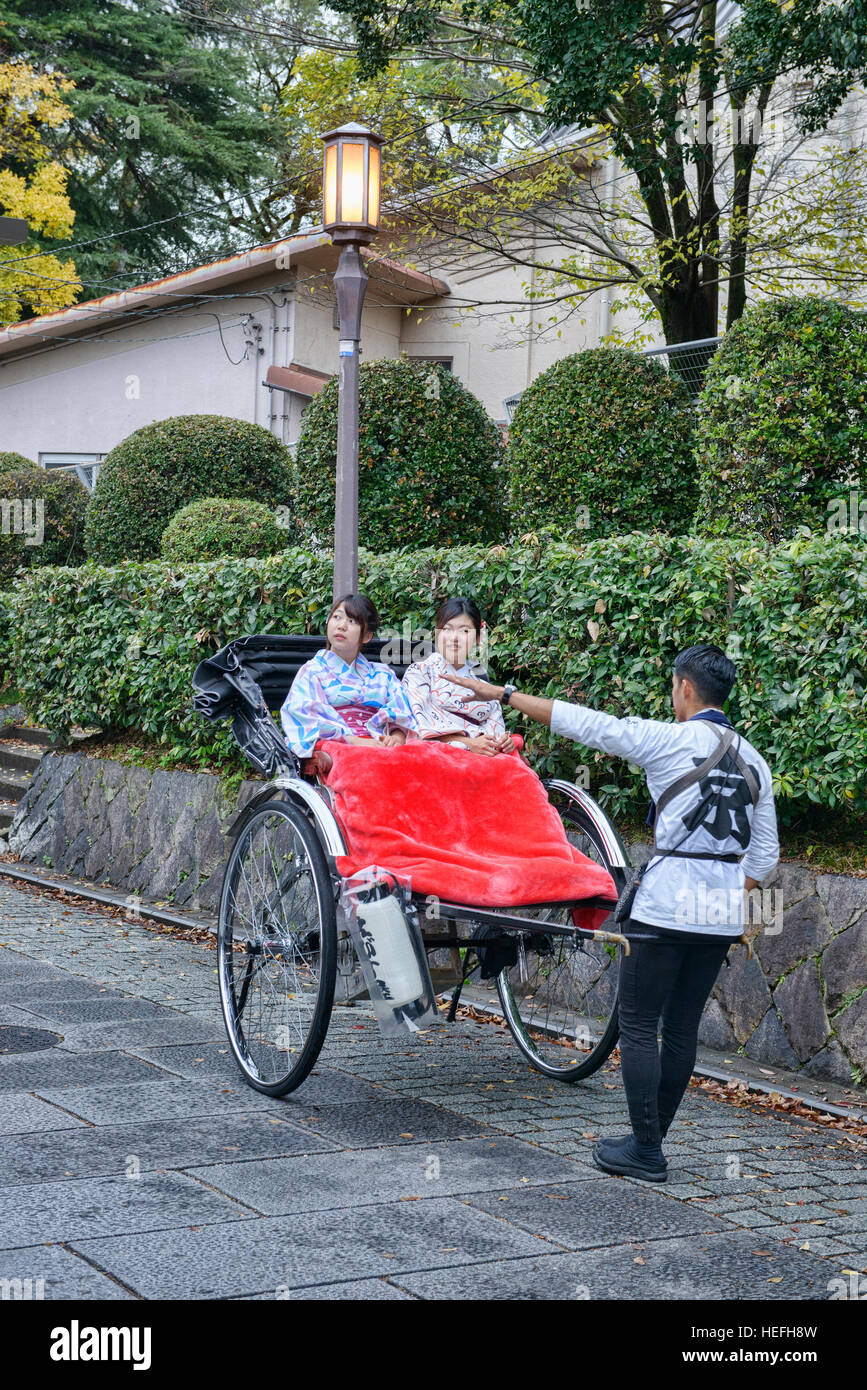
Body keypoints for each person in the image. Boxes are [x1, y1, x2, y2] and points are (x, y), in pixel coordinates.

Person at [444, 643, 780, 1183]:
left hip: (667, 902)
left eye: (673, 687)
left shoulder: (669, 740)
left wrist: (503, 694)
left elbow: (589, 724)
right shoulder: (755, 760)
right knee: (682, 1028)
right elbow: (765, 856)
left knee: (639, 1022)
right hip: (719, 912)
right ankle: (649, 1142)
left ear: (685, 688)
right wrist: (721, 890)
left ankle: (646, 1150)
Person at [280, 593, 418, 758]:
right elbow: (304, 716)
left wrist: (397, 736)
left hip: (380, 744)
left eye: (352, 621)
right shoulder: (312, 671)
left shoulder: (383, 674)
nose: (341, 626)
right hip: (335, 748)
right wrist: (352, 739)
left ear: (367, 636)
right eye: (337, 617)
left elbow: (401, 711)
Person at [401, 597, 514, 756]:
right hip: (437, 756)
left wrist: (503, 742)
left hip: (483, 757)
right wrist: (469, 743)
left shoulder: (483, 686)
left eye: (464, 631)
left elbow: (495, 733)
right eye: (447, 629)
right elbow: (418, 725)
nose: (454, 638)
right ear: (437, 634)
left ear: (477, 638)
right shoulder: (419, 672)